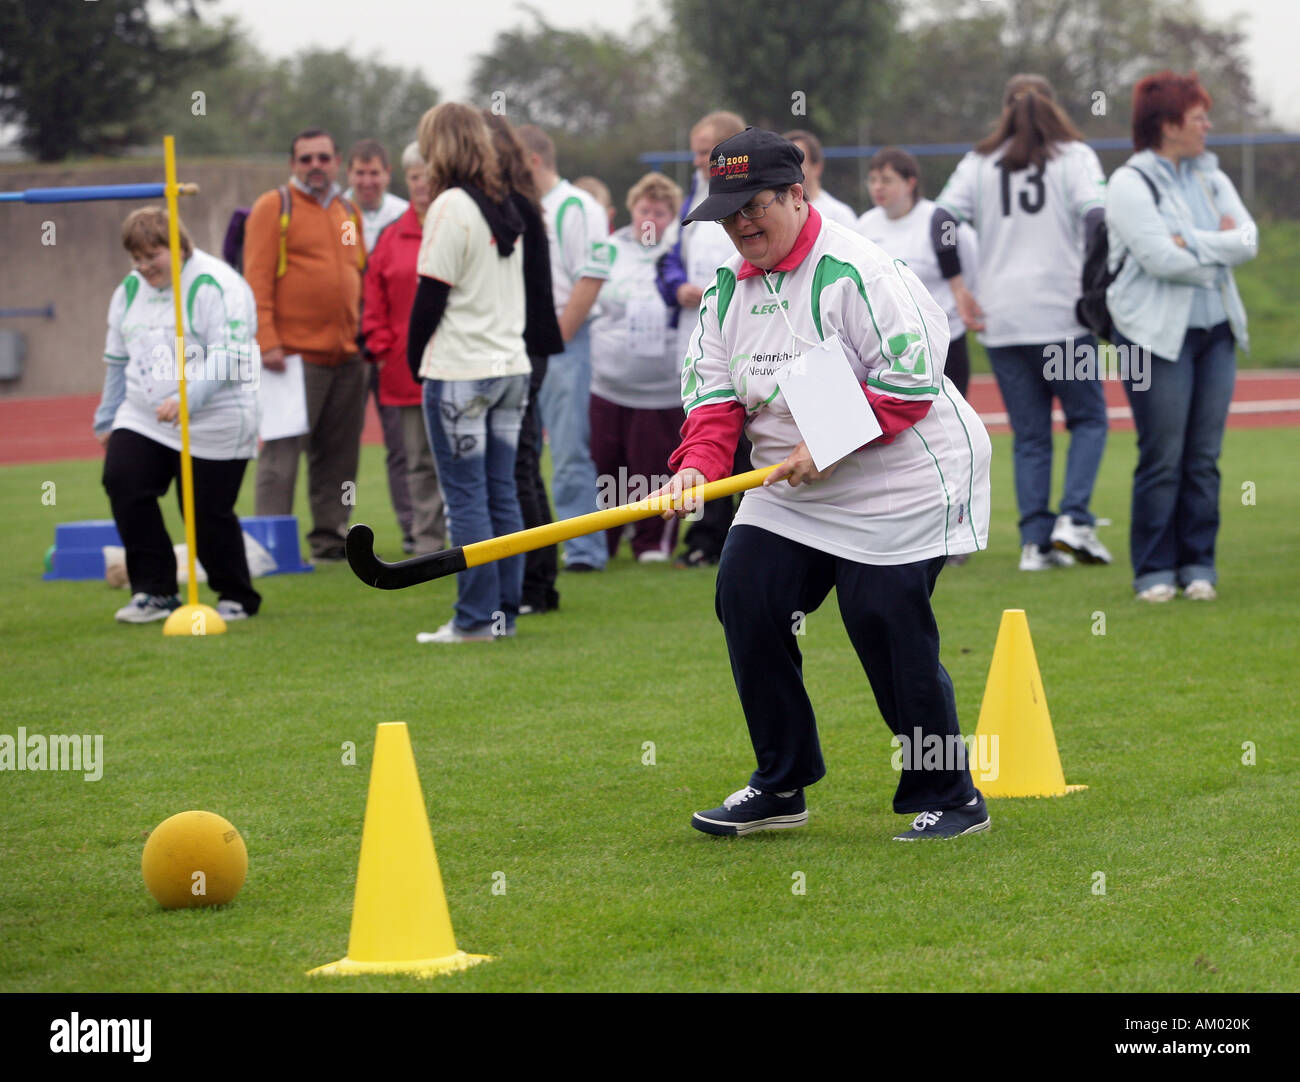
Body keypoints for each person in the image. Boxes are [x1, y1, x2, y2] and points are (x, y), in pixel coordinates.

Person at [655, 128, 992, 841]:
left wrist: (831, 439)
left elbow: (910, 379)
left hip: (901, 477)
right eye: (729, 211)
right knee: (745, 593)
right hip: (794, 483)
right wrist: (696, 469)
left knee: (883, 621)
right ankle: (781, 782)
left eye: (756, 207)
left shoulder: (858, 271)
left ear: (795, 196)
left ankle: (950, 794)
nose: (742, 223)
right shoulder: (725, 293)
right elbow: (714, 402)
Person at [934, 74, 1111, 572]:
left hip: (1002, 318)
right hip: (1060, 314)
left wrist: (959, 287)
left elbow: (941, 220)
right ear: (1052, 106)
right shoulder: (1074, 156)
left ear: (1004, 109)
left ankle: (1035, 543)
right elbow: (1097, 218)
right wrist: (1095, 289)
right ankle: (1074, 520)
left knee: (1031, 434)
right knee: (1089, 420)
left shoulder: (980, 161)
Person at [1105, 71, 1257, 603]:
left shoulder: (1211, 176)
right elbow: (1157, 259)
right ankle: (1152, 571)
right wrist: (1213, 250)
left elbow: (1248, 238)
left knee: (1203, 458)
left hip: (1216, 332)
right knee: (1163, 457)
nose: (1207, 126)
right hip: (1153, 338)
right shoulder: (1128, 183)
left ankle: (1198, 566)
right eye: (1198, 118)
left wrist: (1191, 241)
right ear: (1168, 124)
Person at [92, 207, 262, 623]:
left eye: (153, 256)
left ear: (180, 247)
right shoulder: (129, 291)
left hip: (217, 416)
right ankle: (154, 591)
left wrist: (189, 399)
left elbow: (231, 354)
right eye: (136, 258)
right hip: (145, 414)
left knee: (204, 512)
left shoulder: (217, 284)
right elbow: (117, 360)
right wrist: (106, 417)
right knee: (123, 481)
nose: (143, 267)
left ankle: (236, 594)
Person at [408, 103, 531, 643]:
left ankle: (475, 619)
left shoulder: (450, 207)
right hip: (511, 369)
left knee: (466, 500)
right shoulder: (504, 203)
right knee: (501, 491)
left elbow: (430, 295)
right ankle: (503, 610)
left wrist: (414, 359)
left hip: (462, 370)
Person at [246, 127, 366, 563]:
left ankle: (331, 539)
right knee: (281, 457)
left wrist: (361, 334)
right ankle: (269, 544)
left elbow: (357, 267)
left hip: (347, 356)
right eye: (305, 159)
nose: (315, 166)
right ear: (293, 165)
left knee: (338, 457)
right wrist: (267, 340)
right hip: (291, 358)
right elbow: (256, 279)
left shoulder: (348, 211)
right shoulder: (272, 208)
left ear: (336, 162)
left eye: (323, 158)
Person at [515, 124, 614, 573]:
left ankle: (583, 549)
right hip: (521, 347)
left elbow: (590, 277)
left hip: (562, 346)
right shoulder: (519, 205)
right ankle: (526, 551)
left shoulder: (578, 205)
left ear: (532, 160)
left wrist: (555, 339)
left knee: (570, 449)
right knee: (523, 453)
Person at [654, 109, 750, 568]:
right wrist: (677, 287)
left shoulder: (753, 203)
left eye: (703, 151)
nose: (695, 160)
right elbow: (669, 257)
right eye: (692, 151)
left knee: (751, 443)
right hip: (701, 337)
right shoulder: (693, 193)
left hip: (753, 341)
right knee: (706, 432)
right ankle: (707, 536)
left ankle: (742, 532)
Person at [483, 111, 566, 616]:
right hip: (526, 346)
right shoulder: (524, 203)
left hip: (519, 347)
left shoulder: (508, 206)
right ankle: (536, 579)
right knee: (522, 465)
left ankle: (534, 582)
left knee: (516, 467)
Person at [589, 172, 685, 562]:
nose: (651, 219)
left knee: (655, 469)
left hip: (662, 388)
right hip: (607, 383)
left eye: (660, 212)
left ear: (672, 216)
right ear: (631, 209)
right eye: (644, 209)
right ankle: (603, 540)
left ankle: (651, 542)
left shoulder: (681, 251)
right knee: (606, 465)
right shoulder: (608, 250)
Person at [361, 141, 446, 556]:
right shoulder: (392, 238)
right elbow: (372, 297)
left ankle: (473, 539)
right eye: (415, 177)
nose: (422, 185)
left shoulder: (456, 227)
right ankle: (428, 541)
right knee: (417, 461)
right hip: (406, 369)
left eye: (429, 176)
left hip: (457, 364)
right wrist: (382, 345)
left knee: (462, 459)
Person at [858, 146, 978, 399]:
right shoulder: (864, 226)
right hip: (893, 344)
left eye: (887, 180)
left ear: (910, 183)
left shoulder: (938, 220)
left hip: (946, 340)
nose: (878, 187)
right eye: (873, 180)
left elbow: (970, 263)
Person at [346, 138, 415, 551]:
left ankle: (412, 528)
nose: (367, 181)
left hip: (391, 346)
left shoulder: (406, 215)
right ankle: (336, 529)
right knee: (340, 443)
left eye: (375, 172)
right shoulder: (339, 215)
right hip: (347, 342)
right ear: (349, 174)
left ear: (387, 174)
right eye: (360, 172)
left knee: (402, 443)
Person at [783, 129, 858, 228]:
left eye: (797, 163)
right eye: (785, 164)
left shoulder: (840, 216)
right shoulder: (774, 213)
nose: (790, 169)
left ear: (817, 167)